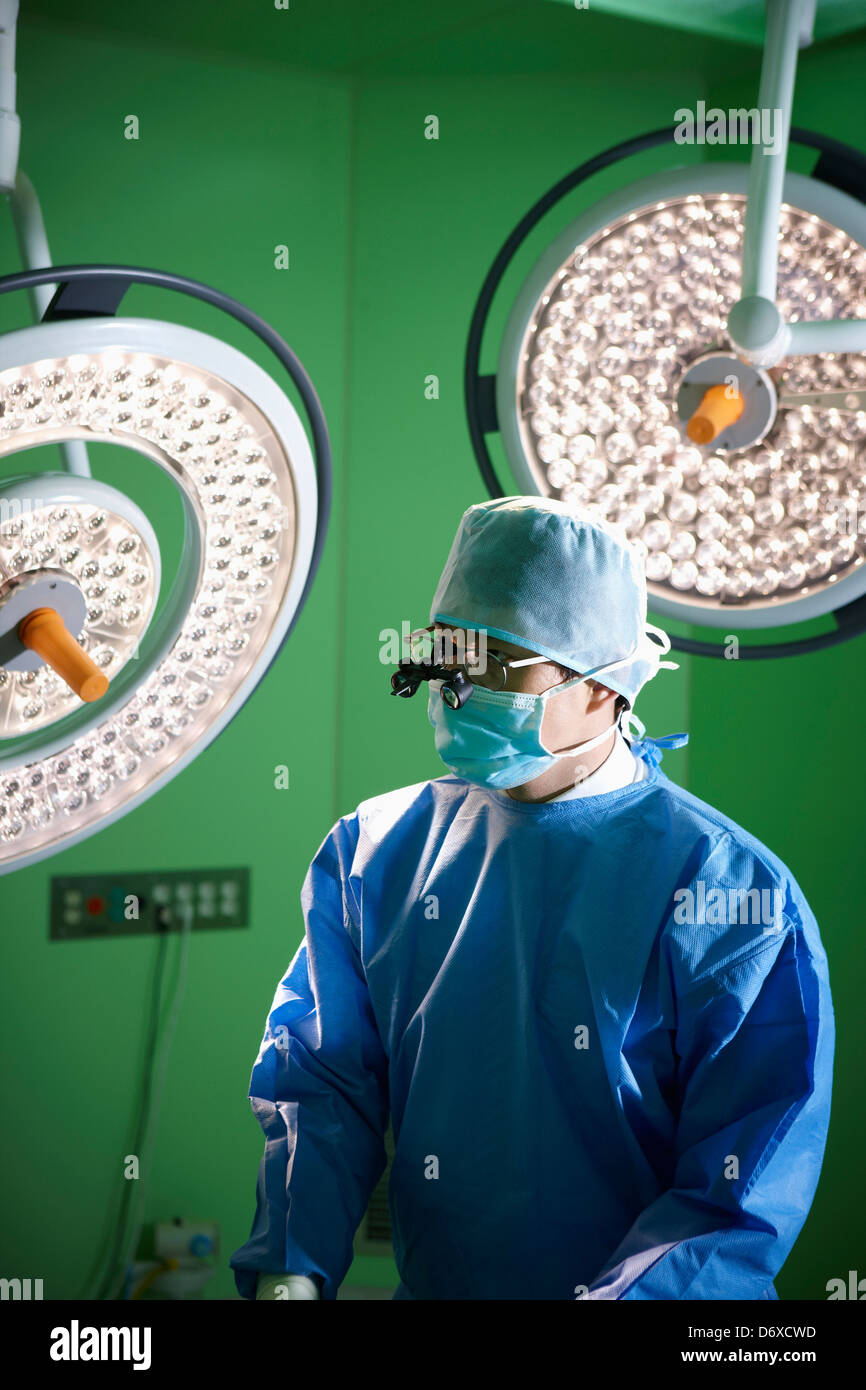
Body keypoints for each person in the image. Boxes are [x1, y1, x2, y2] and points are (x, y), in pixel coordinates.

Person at [231, 495, 835, 1301]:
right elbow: (321, 1083)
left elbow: (739, 1184)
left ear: (604, 687)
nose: (458, 687)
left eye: (499, 666)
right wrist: (291, 1267)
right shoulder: (375, 851)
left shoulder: (726, 892)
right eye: (449, 656)